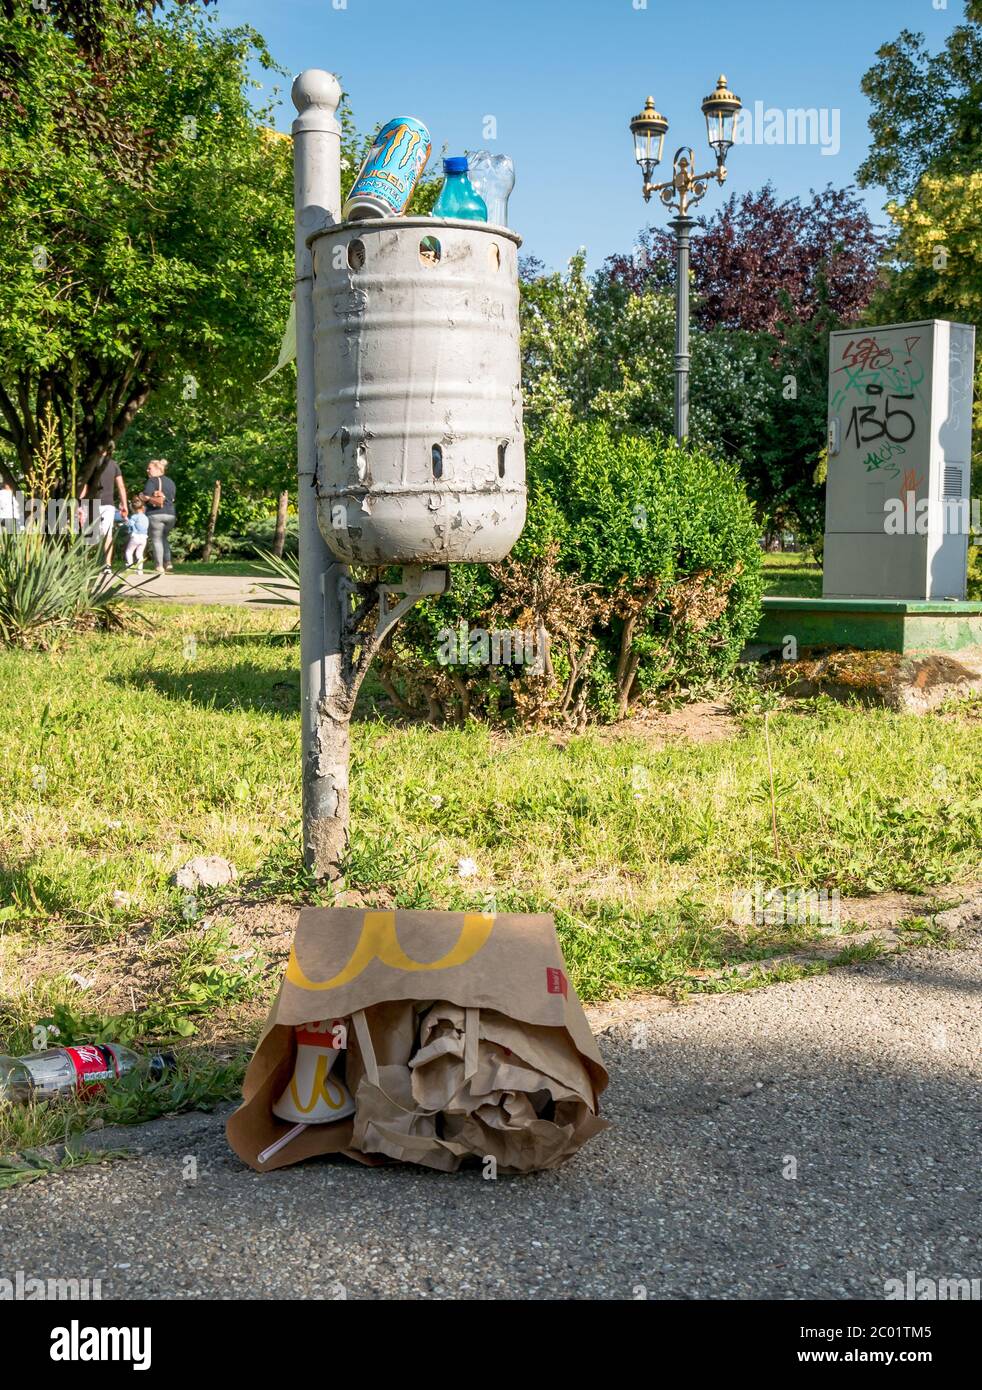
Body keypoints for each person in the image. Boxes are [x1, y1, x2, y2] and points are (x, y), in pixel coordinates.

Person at [79, 446, 128, 570]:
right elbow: (121, 486)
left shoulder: (92, 464)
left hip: (92, 502)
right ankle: (107, 565)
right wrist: (124, 505)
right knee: (108, 534)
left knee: (90, 535)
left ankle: (87, 564)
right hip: (108, 504)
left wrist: (79, 504)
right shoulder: (114, 465)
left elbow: (85, 485)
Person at [140, 459, 177, 574]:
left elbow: (146, 495)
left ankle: (159, 566)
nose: (147, 470)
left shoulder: (152, 481)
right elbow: (173, 498)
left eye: (149, 468)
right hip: (171, 514)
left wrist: (142, 496)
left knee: (156, 539)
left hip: (156, 514)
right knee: (164, 538)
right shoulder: (171, 482)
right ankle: (168, 562)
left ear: (157, 469)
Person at [123, 496, 150, 573]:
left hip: (136, 536)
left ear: (133, 509)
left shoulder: (134, 516)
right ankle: (140, 570)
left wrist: (125, 519)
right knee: (139, 553)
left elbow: (129, 524)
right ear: (143, 508)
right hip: (144, 538)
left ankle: (130, 567)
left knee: (129, 552)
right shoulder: (146, 517)